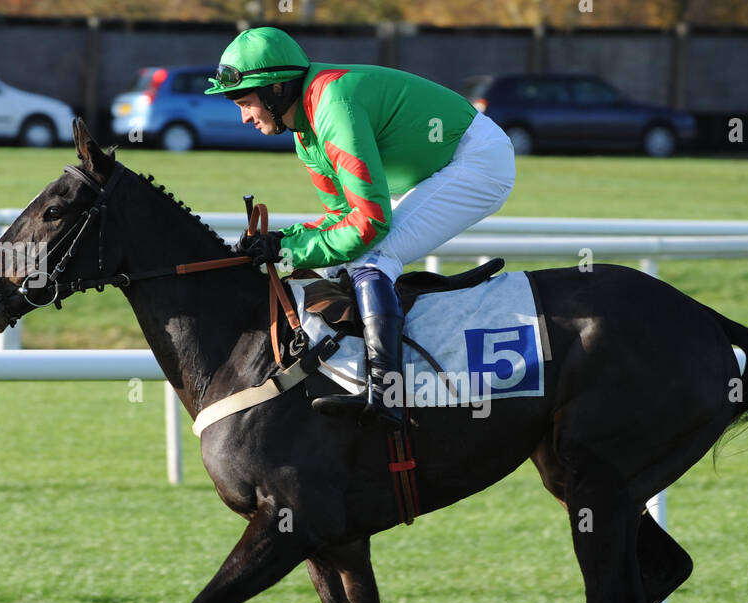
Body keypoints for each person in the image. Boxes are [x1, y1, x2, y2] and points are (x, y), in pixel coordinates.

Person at [206, 26, 516, 431]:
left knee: (374, 254)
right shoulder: (305, 135)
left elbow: (368, 224)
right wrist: (282, 239)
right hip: (440, 166)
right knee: (348, 257)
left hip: (478, 162)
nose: (244, 117)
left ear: (277, 89)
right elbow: (342, 218)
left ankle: (385, 392)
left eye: (246, 103)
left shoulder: (334, 104)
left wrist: (286, 252)